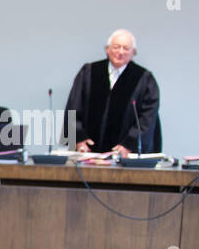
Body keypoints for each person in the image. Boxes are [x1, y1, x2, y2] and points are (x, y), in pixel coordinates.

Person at [65, 29, 161, 157]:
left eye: (126, 48)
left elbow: (147, 117)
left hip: (125, 155)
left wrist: (129, 144)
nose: (120, 52)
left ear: (133, 52)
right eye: (116, 47)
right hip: (87, 154)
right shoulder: (89, 72)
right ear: (107, 49)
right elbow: (73, 107)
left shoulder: (144, 79)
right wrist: (79, 139)